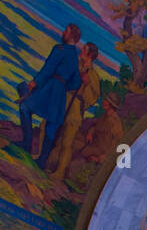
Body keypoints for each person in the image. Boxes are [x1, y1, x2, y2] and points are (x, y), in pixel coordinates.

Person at [18, 23, 81, 170]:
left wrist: (36, 81)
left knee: (25, 107)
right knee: (52, 126)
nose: (63, 32)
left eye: (66, 31)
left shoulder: (59, 49)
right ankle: (42, 161)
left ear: (71, 36)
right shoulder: (74, 55)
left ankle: (26, 144)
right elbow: (76, 82)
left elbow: (48, 68)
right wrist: (64, 85)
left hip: (50, 87)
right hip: (60, 94)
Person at [51, 42, 100, 181]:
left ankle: (59, 173)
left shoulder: (93, 76)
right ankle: (48, 163)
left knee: (67, 142)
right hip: (63, 102)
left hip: (75, 110)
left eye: (84, 49)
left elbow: (92, 98)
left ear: (90, 54)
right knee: (54, 134)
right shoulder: (75, 65)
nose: (81, 50)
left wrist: (87, 84)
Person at [79, 90, 124, 165]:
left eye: (106, 100)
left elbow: (117, 146)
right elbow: (96, 127)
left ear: (111, 105)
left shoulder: (115, 122)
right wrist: (90, 133)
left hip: (100, 152)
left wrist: (99, 159)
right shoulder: (104, 116)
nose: (103, 101)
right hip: (94, 145)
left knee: (78, 148)